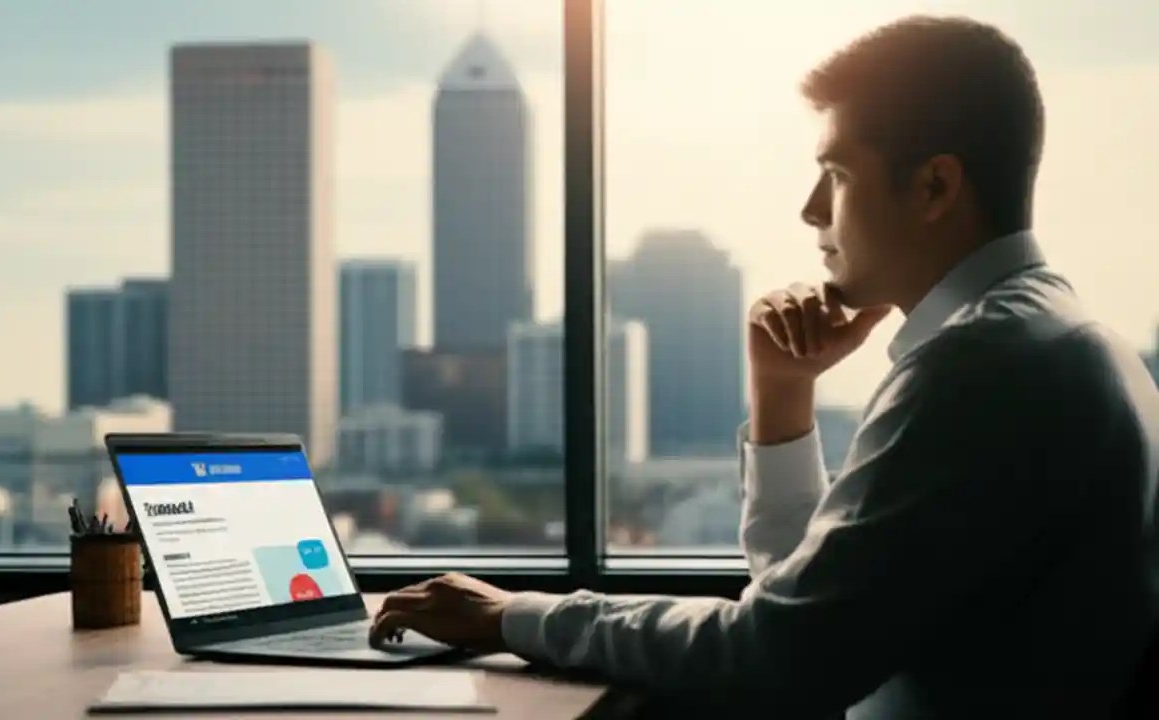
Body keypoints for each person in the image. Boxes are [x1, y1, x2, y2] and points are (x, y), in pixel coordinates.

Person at [370, 15, 1159, 718]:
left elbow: (777, 658)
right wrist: (784, 398)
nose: (812, 209)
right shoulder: (1059, 338)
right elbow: (812, 613)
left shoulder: (980, 367)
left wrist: (511, 615)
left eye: (838, 174)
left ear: (934, 185)